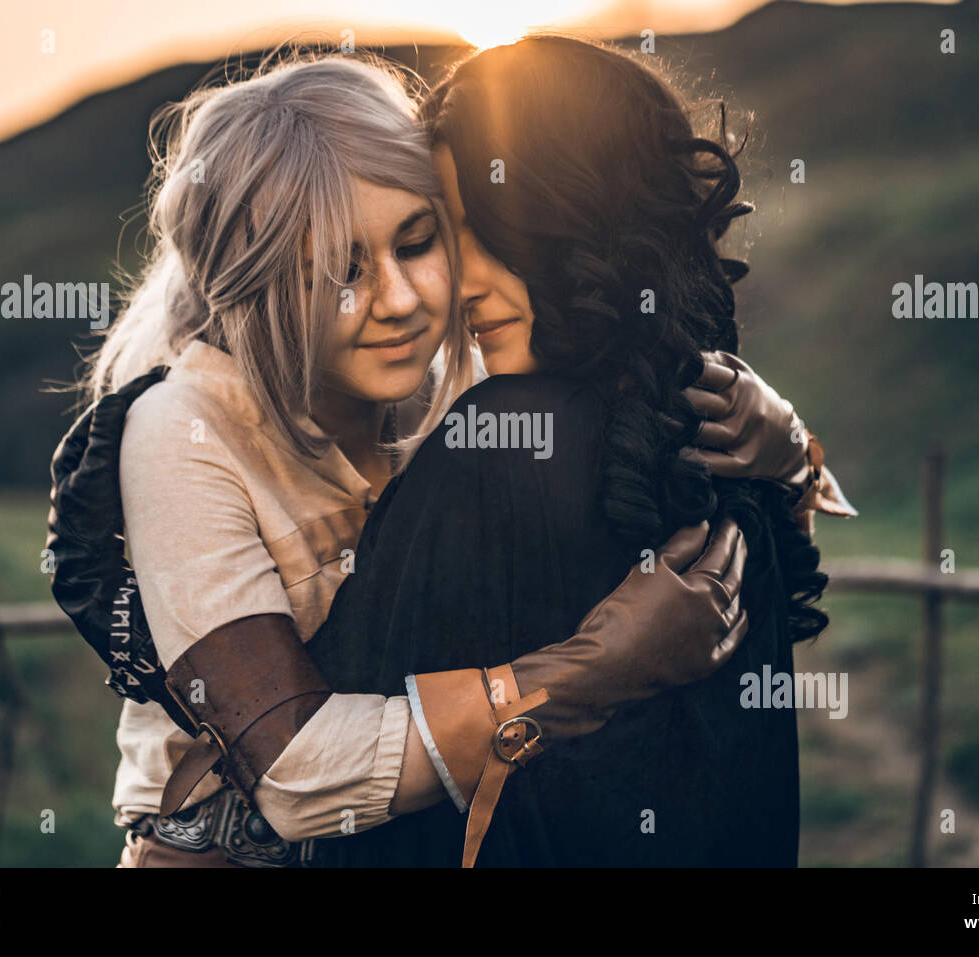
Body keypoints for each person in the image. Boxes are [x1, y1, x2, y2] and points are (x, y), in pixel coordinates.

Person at [47, 50, 845, 868]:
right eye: (341, 268)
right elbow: (291, 773)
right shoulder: (182, 431)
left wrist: (785, 441)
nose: (398, 300)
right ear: (256, 283)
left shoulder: (458, 374)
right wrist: (600, 668)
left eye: (420, 241)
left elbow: (629, 379)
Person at [299, 35, 852, 866]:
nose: (465, 280)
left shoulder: (492, 454)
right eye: (448, 234)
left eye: (487, 227)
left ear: (574, 213)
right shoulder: (728, 431)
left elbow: (333, 792)